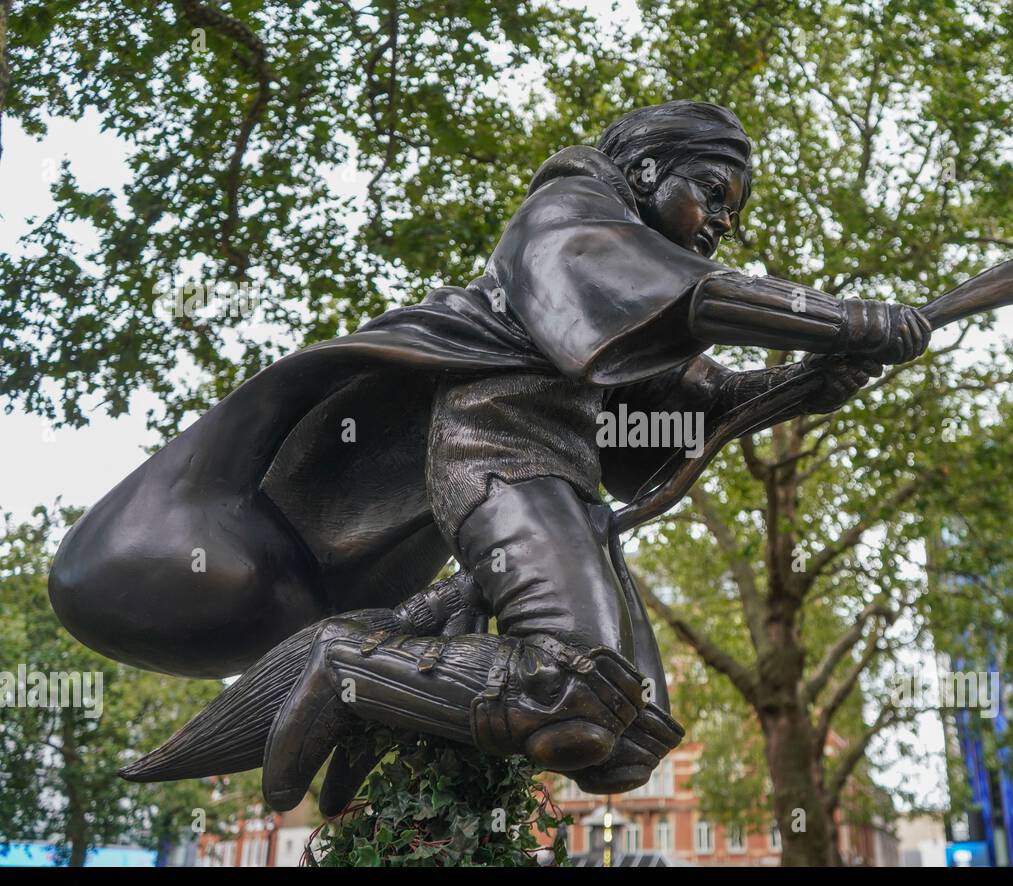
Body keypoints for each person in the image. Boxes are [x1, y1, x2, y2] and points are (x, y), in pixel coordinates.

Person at [52, 101, 930, 812]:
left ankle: (410, 670)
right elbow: (691, 297)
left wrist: (819, 377)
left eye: (733, 212)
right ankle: (350, 664)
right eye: (715, 193)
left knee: (630, 735)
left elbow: (692, 408)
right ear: (651, 170)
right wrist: (846, 317)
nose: (722, 225)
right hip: (499, 456)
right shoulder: (569, 215)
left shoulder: (648, 298)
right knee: (574, 690)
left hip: (566, 485)